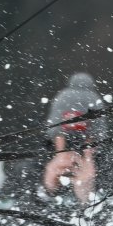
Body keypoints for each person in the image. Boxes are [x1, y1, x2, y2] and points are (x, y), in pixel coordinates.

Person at [41, 71, 104, 204]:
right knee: (87, 174)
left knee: (54, 168)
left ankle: (50, 192)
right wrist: (89, 155)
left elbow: (55, 126)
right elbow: (98, 129)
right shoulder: (94, 98)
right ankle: (86, 201)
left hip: (59, 143)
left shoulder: (62, 96)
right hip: (85, 144)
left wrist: (60, 152)